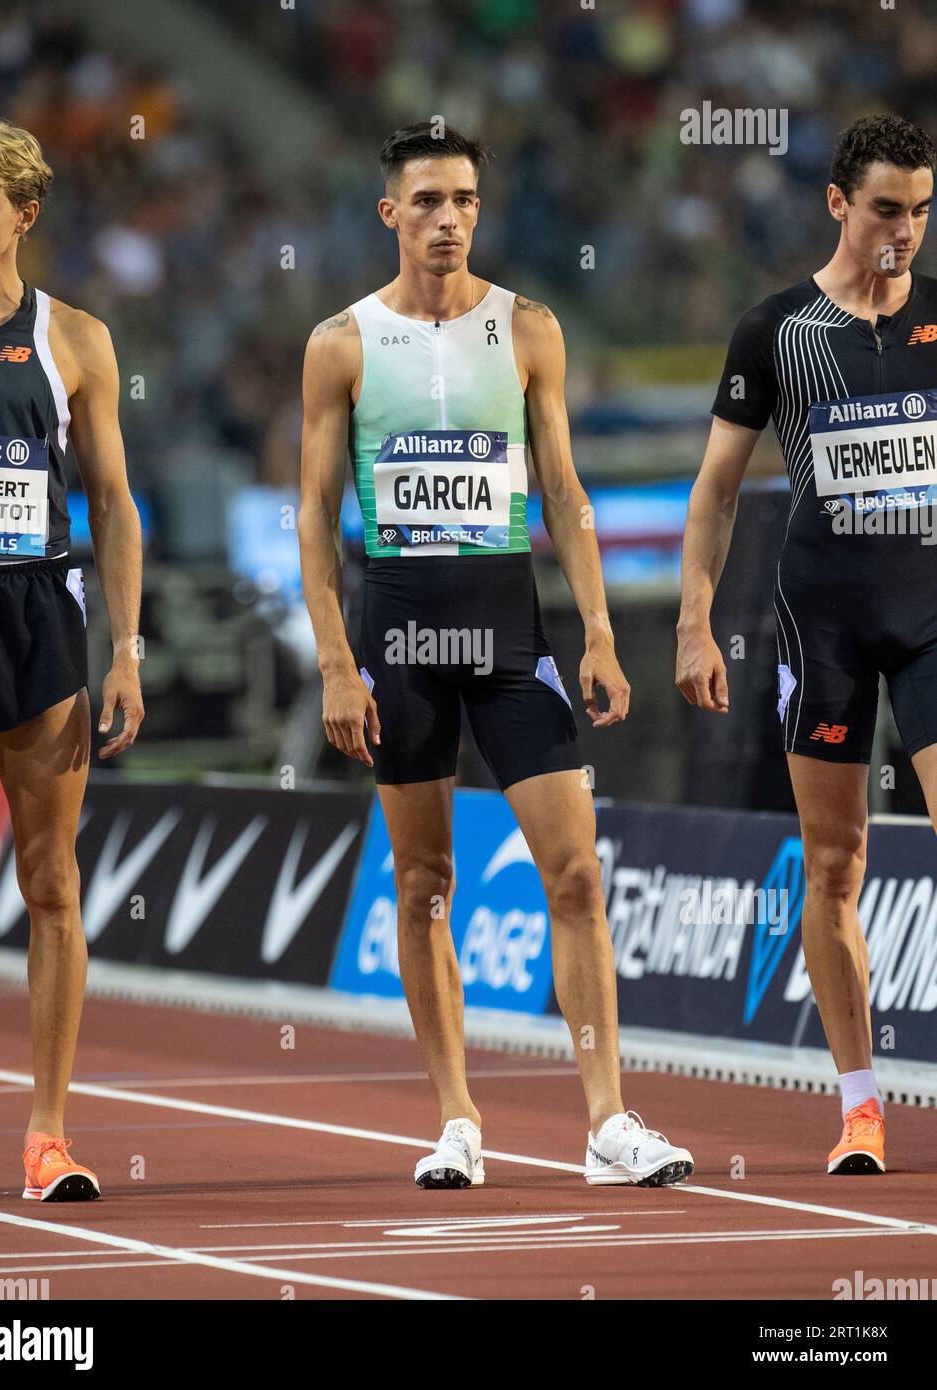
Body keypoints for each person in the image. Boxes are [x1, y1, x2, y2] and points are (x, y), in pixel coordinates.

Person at [299, 122, 693, 1189]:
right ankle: (458, 1121)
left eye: (464, 199)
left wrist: (601, 628)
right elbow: (313, 514)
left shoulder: (528, 329)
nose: (447, 218)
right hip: (399, 633)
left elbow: (563, 494)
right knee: (424, 880)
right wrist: (337, 658)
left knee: (573, 874)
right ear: (390, 213)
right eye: (426, 200)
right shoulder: (339, 342)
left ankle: (607, 1122)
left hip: (510, 631)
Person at [677, 114, 937, 1175]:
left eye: (920, 212)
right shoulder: (773, 329)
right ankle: (859, 1105)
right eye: (884, 209)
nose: (902, 233)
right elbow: (715, 490)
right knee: (834, 862)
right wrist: (693, 620)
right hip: (819, 617)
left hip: (928, 616)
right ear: (836, 203)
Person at [0, 118, 144, 1198]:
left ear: (25, 213)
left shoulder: (75, 338)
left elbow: (113, 504)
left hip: (35, 617)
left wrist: (128, 651)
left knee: (51, 882)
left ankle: (48, 1135)